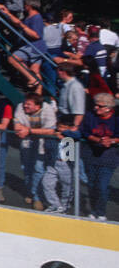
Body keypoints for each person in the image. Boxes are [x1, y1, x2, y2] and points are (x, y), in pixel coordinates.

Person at [42, 62, 86, 214]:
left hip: (67, 129)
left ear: (63, 72)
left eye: (58, 71)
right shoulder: (67, 85)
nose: (57, 73)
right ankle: (56, 205)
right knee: (53, 167)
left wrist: (71, 132)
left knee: (66, 172)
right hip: (61, 124)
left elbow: (79, 112)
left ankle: (65, 206)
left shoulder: (75, 87)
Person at [68, 92, 119, 220]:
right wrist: (98, 140)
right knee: (91, 185)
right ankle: (93, 210)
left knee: (102, 185)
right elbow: (85, 132)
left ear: (108, 108)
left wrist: (111, 141)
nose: (96, 108)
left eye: (99, 106)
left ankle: (100, 212)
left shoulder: (117, 118)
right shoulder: (90, 115)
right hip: (90, 155)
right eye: (95, 105)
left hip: (109, 157)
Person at [13, 92, 57, 210]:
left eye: (29, 104)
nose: (25, 106)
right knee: (26, 168)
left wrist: (29, 131)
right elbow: (17, 127)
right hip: (27, 143)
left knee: (38, 169)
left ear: (37, 106)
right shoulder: (20, 107)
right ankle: (30, 192)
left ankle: (37, 197)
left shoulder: (48, 110)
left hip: (42, 145)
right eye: (25, 103)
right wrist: (30, 131)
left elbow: (50, 131)